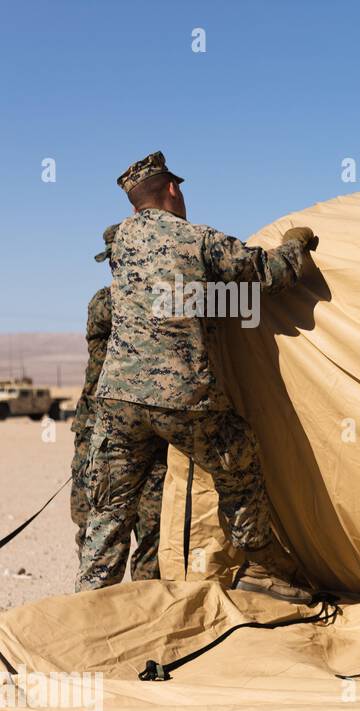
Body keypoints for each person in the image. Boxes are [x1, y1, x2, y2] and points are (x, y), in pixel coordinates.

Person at [77, 151, 317, 602]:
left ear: (133, 206)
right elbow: (268, 274)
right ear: (173, 189)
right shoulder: (197, 239)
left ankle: (85, 609)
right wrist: (295, 243)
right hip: (182, 398)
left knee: (109, 510)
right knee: (239, 467)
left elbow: (171, 293)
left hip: (118, 400)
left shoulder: (119, 243)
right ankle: (268, 573)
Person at [70, 224, 166, 583]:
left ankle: (147, 609)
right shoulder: (106, 303)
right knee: (97, 526)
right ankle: (100, 610)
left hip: (143, 433)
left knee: (153, 530)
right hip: (98, 435)